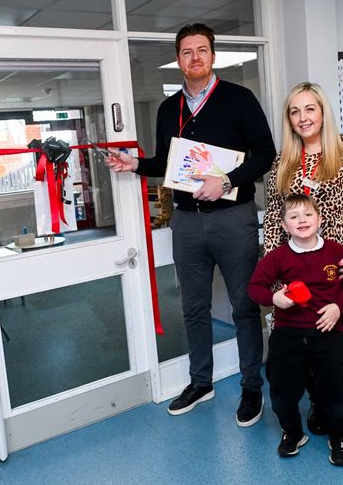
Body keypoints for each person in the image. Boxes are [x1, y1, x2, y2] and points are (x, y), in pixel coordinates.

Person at [105, 23, 276, 425]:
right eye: (187, 51)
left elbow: (265, 154)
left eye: (202, 50)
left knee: (244, 306)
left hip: (233, 219)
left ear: (213, 56)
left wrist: (227, 181)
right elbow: (166, 163)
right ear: (178, 60)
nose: (195, 57)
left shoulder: (239, 99)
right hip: (186, 223)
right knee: (193, 309)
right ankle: (201, 382)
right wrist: (135, 164)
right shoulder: (169, 109)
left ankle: (252, 386)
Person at [262, 82, 343, 435]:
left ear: (323, 112)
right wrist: (274, 270)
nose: (303, 118)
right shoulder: (283, 162)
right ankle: (319, 397)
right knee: (310, 333)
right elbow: (273, 219)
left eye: (310, 109)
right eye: (295, 111)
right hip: (301, 269)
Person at [248, 193, 343, 466]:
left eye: (308, 214)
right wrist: (274, 298)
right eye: (294, 216)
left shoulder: (335, 251)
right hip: (288, 331)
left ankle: (338, 436)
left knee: (336, 387)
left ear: (319, 220)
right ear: (284, 225)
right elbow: (255, 287)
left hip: (328, 331)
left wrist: (338, 307)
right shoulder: (277, 256)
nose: (302, 220)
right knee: (282, 387)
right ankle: (292, 432)